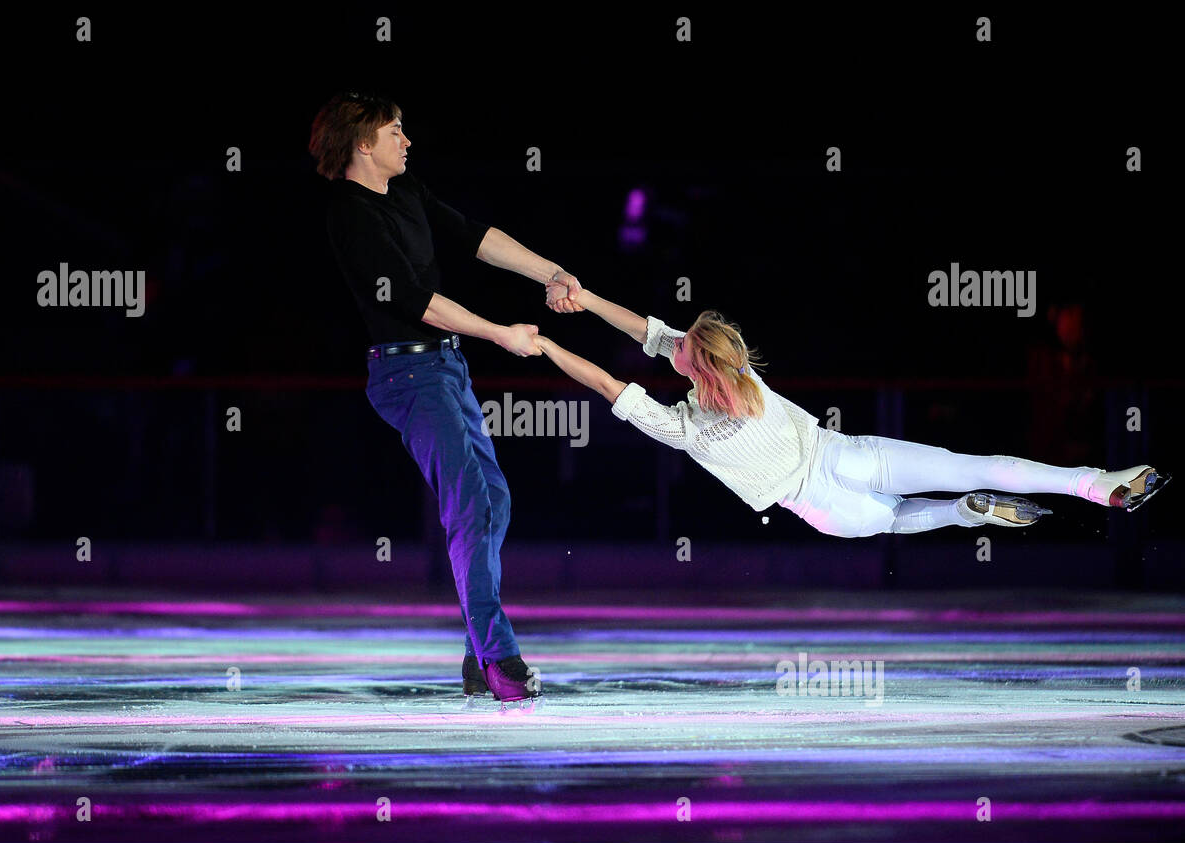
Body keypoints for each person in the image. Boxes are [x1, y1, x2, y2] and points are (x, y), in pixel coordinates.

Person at [311, 90, 583, 701]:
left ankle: (475, 655)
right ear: (362, 143)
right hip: (407, 376)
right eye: (396, 131)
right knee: (472, 505)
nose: (407, 141)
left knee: (495, 500)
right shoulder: (349, 215)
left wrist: (551, 272)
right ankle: (500, 660)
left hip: (446, 369)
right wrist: (500, 334)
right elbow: (414, 300)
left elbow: (475, 235)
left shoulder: (407, 192)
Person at [532, 289, 1171, 537]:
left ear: (690, 366)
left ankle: (959, 514)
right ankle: (1095, 483)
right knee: (973, 463)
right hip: (844, 453)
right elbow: (657, 334)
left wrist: (545, 343)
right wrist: (583, 296)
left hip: (820, 507)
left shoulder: (687, 427)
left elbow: (610, 382)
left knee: (894, 525)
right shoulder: (746, 378)